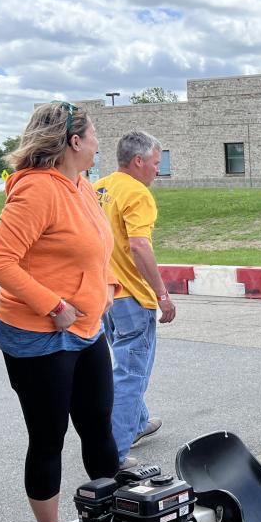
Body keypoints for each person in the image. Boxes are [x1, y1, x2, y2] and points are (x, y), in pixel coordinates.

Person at [0, 101, 119, 522]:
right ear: (74, 141)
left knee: (99, 428)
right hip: (39, 334)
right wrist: (54, 305)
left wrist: (109, 287)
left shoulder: (79, 185)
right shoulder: (38, 189)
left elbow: (97, 246)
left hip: (86, 328)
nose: (99, 144)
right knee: (48, 439)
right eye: (94, 135)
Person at [93, 131, 176, 466]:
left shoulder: (99, 187)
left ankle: (137, 422)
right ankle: (113, 452)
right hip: (132, 296)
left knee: (124, 364)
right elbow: (140, 246)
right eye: (156, 163)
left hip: (106, 295)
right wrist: (162, 293)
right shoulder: (137, 193)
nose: (157, 170)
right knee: (132, 372)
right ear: (139, 161)